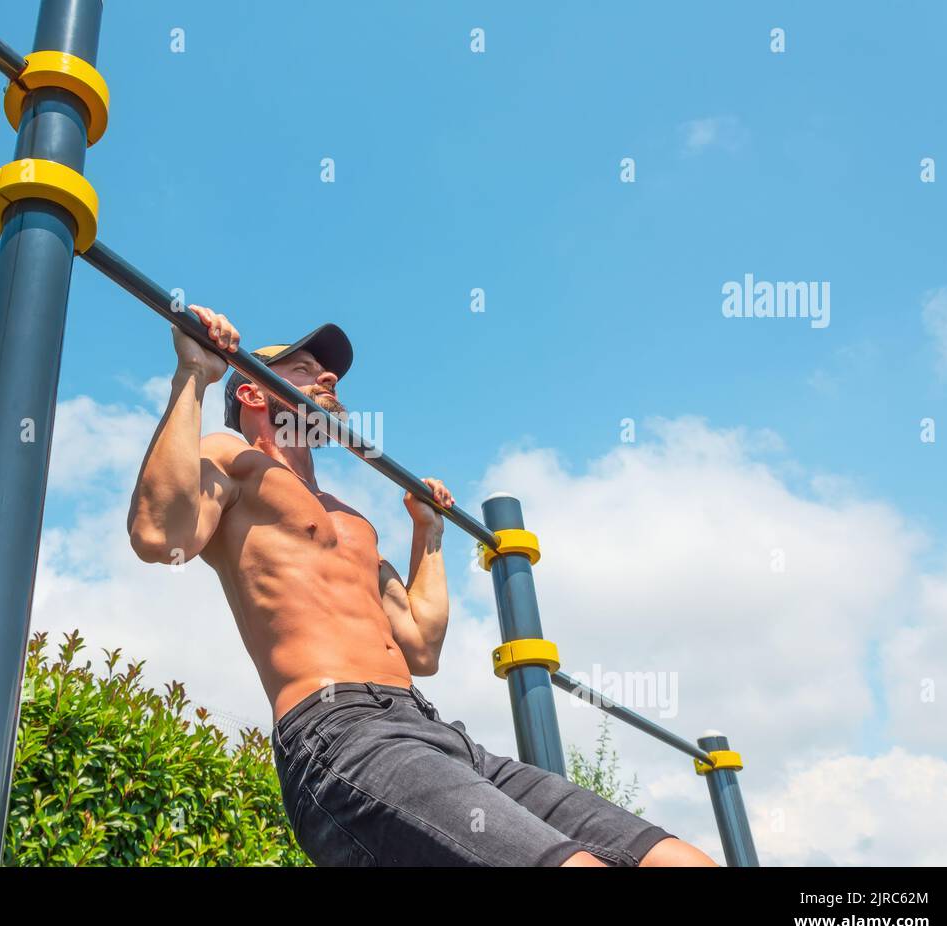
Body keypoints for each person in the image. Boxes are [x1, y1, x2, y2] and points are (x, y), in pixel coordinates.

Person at [127, 305, 717, 867]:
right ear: (253, 392)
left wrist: (426, 534)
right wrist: (195, 378)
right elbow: (159, 535)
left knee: (679, 859)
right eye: (304, 368)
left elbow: (420, 647)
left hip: (433, 728)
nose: (328, 375)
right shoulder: (230, 458)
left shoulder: (352, 520)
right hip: (343, 735)